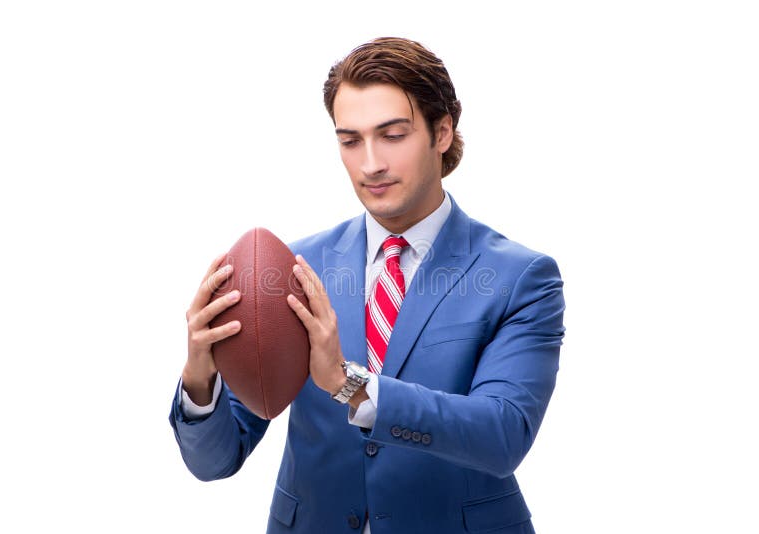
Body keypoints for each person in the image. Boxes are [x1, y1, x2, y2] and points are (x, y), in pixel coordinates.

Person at [169, 36, 565, 534]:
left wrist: (348, 385)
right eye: (350, 140)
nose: (370, 163)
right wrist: (200, 381)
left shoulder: (519, 278)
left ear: (442, 132)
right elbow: (214, 462)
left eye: (393, 135)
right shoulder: (294, 271)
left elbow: (502, 435)